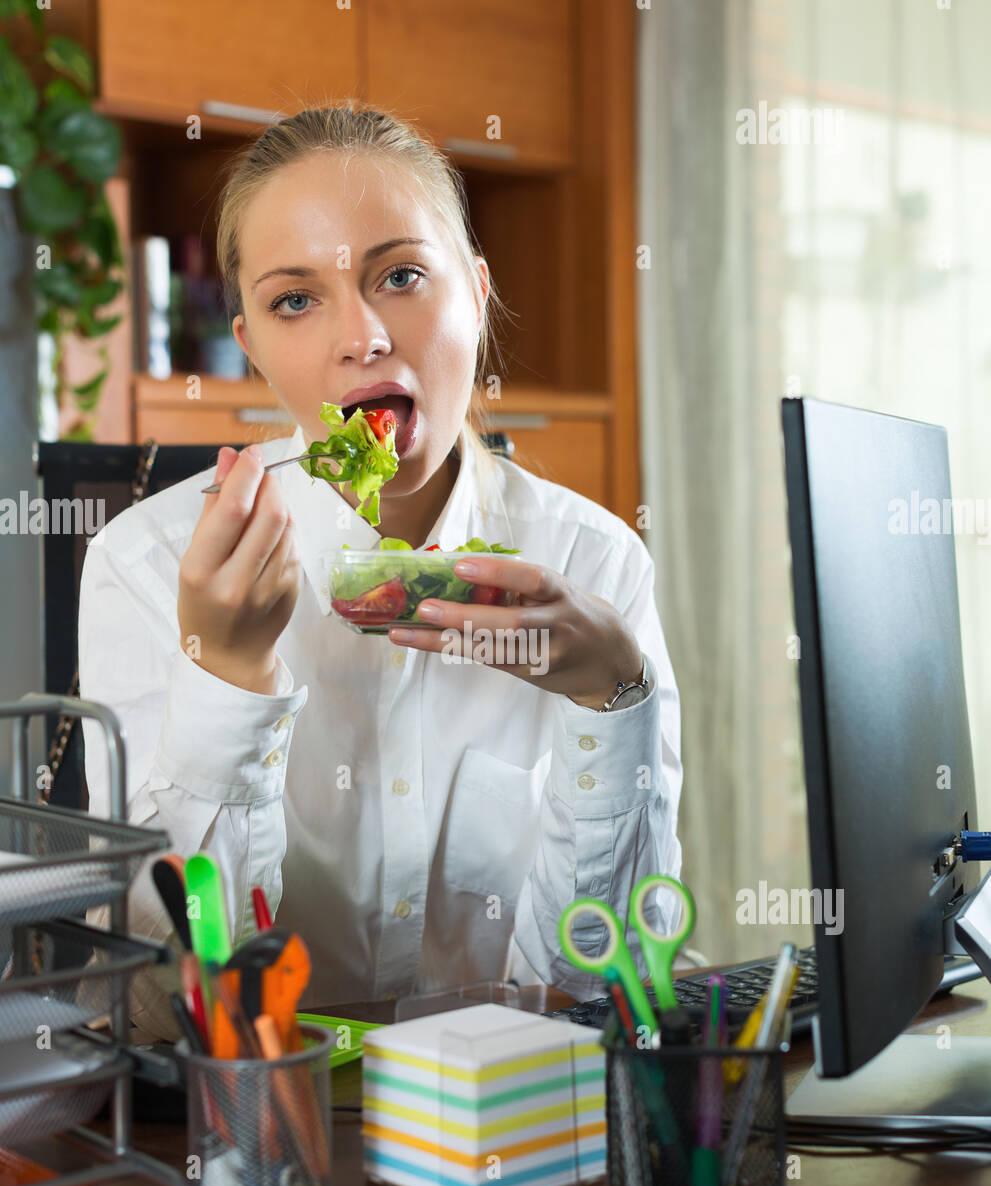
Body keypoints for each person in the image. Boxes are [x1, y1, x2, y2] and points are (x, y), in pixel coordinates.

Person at [79, 103, 685, 1042]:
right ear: (250, 347)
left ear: (477, 294)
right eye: (295, 299)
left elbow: (609, 989)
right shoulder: (146, 563)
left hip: (511, 1117)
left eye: (400, 276)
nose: (361, 335)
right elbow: (163, 1011)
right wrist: (226, 678)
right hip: (258, 1135)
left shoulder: (594, 563)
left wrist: (614, 701)